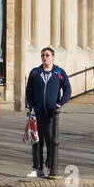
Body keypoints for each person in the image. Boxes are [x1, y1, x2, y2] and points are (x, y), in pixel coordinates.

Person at [25, 47, 71, 178]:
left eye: (47, 55)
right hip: (37, 113)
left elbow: (67, 89)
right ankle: (37, 168)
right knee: (37, 141)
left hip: (52, 114)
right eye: (43, 56)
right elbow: (29, 91)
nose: (45, 58)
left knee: (51, 141)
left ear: (53, 57)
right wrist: (31, 106)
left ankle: (51, 166)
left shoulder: (59, 72)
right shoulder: (35, 73)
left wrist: (60, 103)